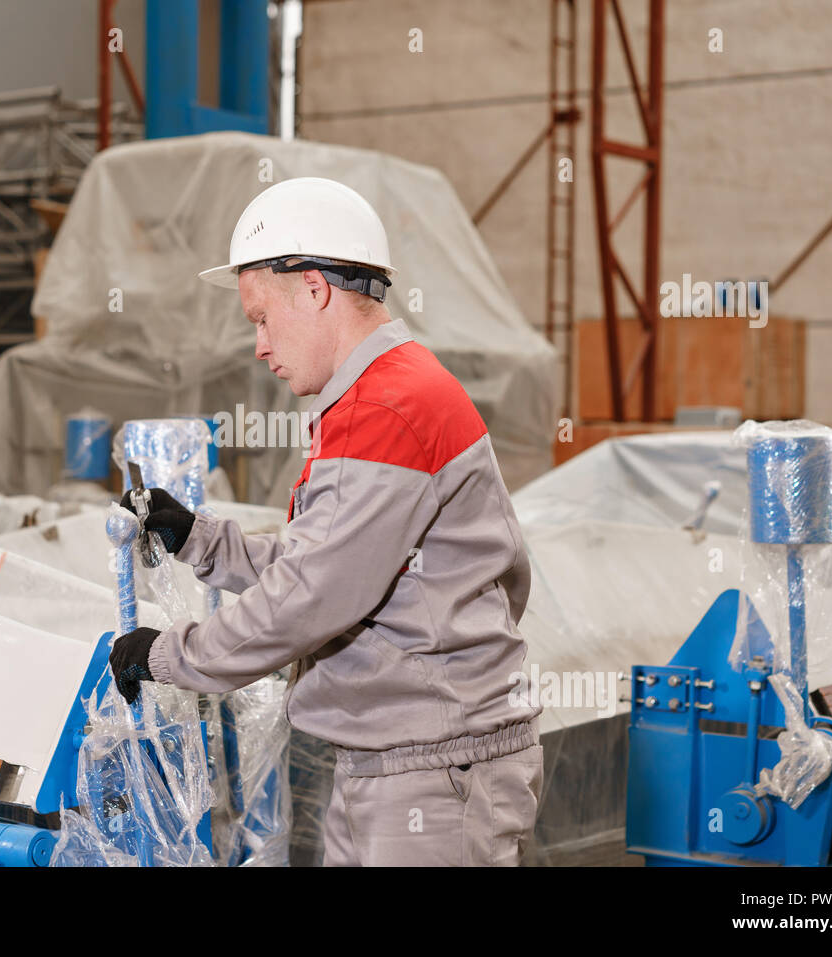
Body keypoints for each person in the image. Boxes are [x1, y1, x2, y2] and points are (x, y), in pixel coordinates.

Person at [109, 176, 542, 866]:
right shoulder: (381, 395)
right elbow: (332, 566)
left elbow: (309, 598)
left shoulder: (386, 410)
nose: (259, 345)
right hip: (398, 757)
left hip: (433, 769)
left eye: (260, 318)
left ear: (313, 289)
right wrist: (201, 540)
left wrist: (168, 655)